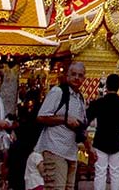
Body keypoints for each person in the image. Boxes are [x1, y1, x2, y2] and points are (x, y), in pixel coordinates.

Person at [34, 61, 89, 190]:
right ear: (67, 76)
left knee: (68, 187)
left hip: (70, 150)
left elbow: (80, 126)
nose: (76, 78)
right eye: (73, 74)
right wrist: (64, 119)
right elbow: (41, 116)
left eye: (80, 75)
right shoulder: (58, 92)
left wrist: (89, 148)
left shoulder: (80, 98)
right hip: (55, 148)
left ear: (84, 78)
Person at [86, 74, 119, 190]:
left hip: (100, 140)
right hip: (116, 140)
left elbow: (86, 118)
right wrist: (117, 125)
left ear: (106, 86)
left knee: (100, 171)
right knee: (116, 172)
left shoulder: (98, 103)